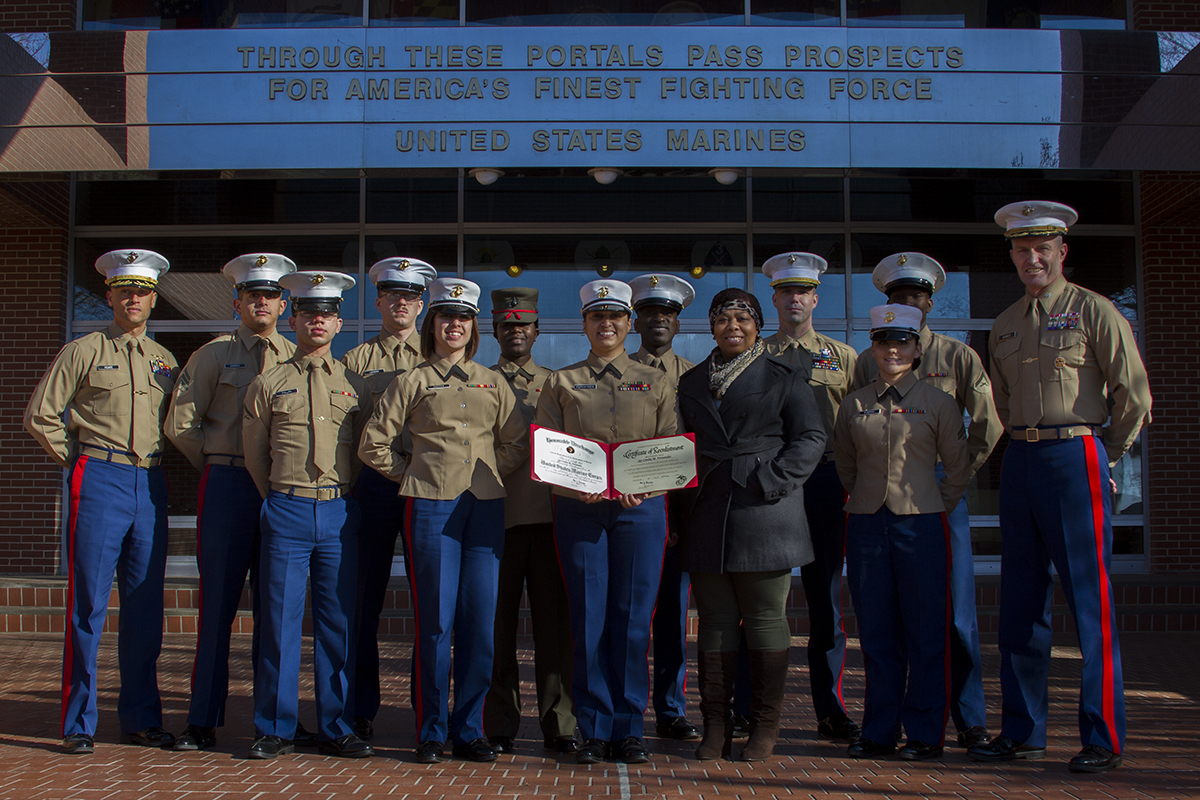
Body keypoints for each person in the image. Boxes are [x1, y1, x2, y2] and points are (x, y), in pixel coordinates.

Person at [969, 201, 1152, 773]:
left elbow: (1135, 396)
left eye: (1041, 248)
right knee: (1020, 602)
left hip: (1076, 456)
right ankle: (1023, 731)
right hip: (1020, 462)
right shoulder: (1004, 324)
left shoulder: (1095, 311)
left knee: (1089, 603)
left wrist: (1106, 454)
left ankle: (1103, 737)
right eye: (1021, 250)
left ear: (1061, 252)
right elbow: (996, 404)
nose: (1031, 259)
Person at [359, 278, 527, 765]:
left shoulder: (493, 382)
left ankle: (469, 729)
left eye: (464, 318)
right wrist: (411, 473)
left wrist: (493, 472)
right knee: (435, 621)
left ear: (474, 328)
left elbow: (516, 441)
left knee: (480, 621)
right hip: (430, 505)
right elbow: (374, 444)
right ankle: (431, 729)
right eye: (445, 317)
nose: (454, 324)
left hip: (484, 507)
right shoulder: (410, 381)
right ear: (432, 325)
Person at [24, 249, 179, 755]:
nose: (133, 298)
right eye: (124, 290)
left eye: (142, 291)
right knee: (87, 605)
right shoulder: (84, 349)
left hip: (149, 485)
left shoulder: (166, 361)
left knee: (143, 608)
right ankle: (77, 724)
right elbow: (42, 415)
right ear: (109, 295)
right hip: (99, 478)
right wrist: (78, 460)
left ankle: (139, 718)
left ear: (154, 299)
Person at [851, 252, 1002, 749]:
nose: (906, 307)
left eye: (914, 298)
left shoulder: (958, 356)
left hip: (936, 497)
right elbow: (853, 434)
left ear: (929, 303)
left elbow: (986, 428)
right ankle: (889, 724)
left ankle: (968, 718)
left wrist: (950, 486)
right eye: (896, 300)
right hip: (880, 501)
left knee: (952, 617)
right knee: (887, 619)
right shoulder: (865, 360)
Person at [676, 288, 826, 762]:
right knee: (716, 624)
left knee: (763, 620)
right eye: (723, 320)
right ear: (711, 326)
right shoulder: (692, 380)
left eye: (743, 318)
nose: (733, 327)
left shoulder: (785, 375)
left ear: (758, 325)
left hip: (764, 509)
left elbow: (811, 436)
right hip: (706, 509)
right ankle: (716, 726)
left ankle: (764, 727)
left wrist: (771, 480)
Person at [534, 279, 678, 766]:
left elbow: (669, 442)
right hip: (580, 509)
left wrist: (651, 483)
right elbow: (545, 448)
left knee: (634, 620)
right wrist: (572, 484)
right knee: (589, 618)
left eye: (616, 316)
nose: (607, 324)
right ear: (585, 324)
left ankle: (629, 727)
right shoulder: (562, 380)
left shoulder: (656, 380)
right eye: (597, 317)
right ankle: (593, 728)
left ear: (629, 322)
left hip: (641, 509)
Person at [164, 253, 299, 752]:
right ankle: (202, 719)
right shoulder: (213, 354)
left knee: (277, 610)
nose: (260, 303)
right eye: (251, 295)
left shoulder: (296, 356)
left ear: (284, 304)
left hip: (281, 492)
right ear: (237, 302)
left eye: (270, 295)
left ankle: (276, 721)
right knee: (217, 606)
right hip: (228, 486)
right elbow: (180, 423)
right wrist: (220, 464)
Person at [242, 270, 372, 760]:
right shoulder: (268, 381)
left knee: (337, 622)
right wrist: (280, 497)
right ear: (293, 318)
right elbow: (254, 453)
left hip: (338, 511)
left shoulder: (355, 385)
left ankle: (336, 725)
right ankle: (275, 726)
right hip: (287, 508)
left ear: (339, 324)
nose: (318, 320)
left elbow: (363, 450)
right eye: (309, 312)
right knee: (278, 622)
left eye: (328, 314)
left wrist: (340, 494)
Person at [833, 303, 972, 762]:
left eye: (902, 342)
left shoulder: (938, 402)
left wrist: (936, 505)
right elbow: (846, 464)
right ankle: (878, 730)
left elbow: (958, 467)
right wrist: (866, 497)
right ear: (871, 348)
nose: (891, 350)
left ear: (916, 348)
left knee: (927, 631)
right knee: (876, 631)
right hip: (868, 525)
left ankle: (926, 732)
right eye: (882, 342)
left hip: (923, 525)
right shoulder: (854, 403)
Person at [761, 252, 861, 744]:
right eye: (786, 291)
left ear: (816, 298)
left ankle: (830, 708)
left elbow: (861, 422)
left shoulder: (843, 358)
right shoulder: (756, 355)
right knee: (763, 600)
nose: (795, 298)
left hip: (825, 485)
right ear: (774, 298)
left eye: (803, 291)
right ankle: (754, 708)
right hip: (774, 487)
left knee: (825, 602)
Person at [341, 256, 436, 741]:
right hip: (374, 488)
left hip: (426, 488)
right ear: (377, 301)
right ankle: (359, 709)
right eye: (393, 295)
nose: (402, 303)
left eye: (412, 296)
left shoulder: (438, 356)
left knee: (430, 606)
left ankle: (428, 712)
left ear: (422, 305)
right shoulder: (353, 362)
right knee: (363, 603)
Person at [483, 287, 579, 756]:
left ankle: (559, 724)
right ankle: (499, 723)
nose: (515, 332)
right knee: (495, 630)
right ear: (495, 331)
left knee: (555, 631)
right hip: (494, 521)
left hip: (548, 520)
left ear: (537, 331)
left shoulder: (559, 383)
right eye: (506, 325)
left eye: (523, 325)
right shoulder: (477, 381)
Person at [628, 273, 700, 744]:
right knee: (631, 615)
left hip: (684, 511)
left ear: (677, 322)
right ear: (636, 320)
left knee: (674, 618)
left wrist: (685, 518)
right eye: (650, 312)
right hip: (631, 510)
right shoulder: (618, 372)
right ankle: (624, 706)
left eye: (667, 313)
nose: (659, 319)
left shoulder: (695, 377)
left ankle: (671, 709)